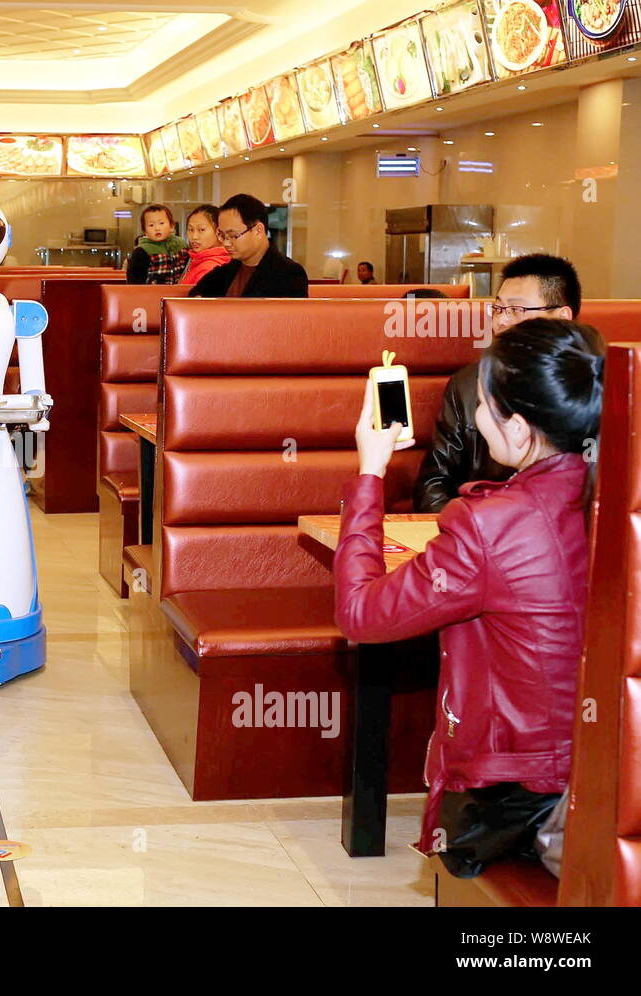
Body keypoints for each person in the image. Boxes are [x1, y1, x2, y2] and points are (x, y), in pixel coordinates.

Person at [335, 318, 603, 878]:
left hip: (520, 793)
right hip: (603, 764)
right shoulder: (609, 492)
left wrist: (370, 470)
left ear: (521, 431)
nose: (476, 421)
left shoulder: (493, 526)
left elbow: (360, 613)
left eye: (482, 405)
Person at [414, 253, 581, 512]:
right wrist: (461, 534)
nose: (501, 321)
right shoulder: (469, 384)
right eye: (498, 308)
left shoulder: (593, 389)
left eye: (516, 310)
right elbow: (434, 481)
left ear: (561, 317)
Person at [188, 193, 307, 298]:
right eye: (223, 236)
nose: (226, 243)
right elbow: (195, 295)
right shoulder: (227, 270)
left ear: (258, 231)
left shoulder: (289, 273)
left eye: (233, 235)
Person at [125, 204, 188, 285]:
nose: (157, 228)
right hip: (151, 294)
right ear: (145, 231)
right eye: (151, 225)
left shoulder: (181, 245)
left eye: (161, 223)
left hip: (179, 294)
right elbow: (134, 281)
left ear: (172, 226)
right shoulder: (141, 251)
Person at [181, 204, 231, 286]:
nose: (194, 237)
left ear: (219, 232)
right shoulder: (195, 259)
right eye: (190, 229)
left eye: (201, 230)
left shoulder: (210, 268)